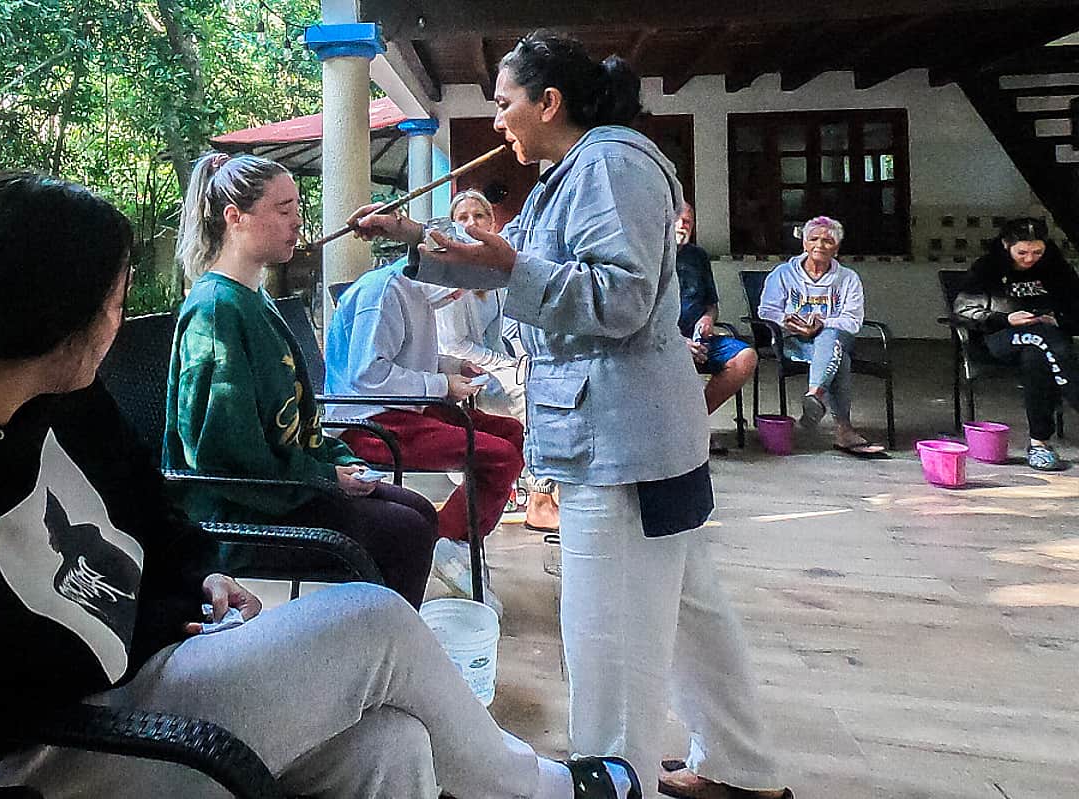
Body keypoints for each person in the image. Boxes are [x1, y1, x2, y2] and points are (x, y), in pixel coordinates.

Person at [0, 172, 644, 799]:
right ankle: (545, 789)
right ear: (52, 317)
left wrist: (198, 575)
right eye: (114, 299)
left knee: (394, 742)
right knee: (375, 618)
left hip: (158, 664)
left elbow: (150, 507)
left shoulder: (67, 401)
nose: (120, 317)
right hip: (63, 744)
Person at [348, 29, 789, 799]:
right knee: (692, 610)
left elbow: (619, 299)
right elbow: (499, 258)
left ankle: (613, 783)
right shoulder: (573, 171)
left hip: (621, 443)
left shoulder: (611, 165)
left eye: (504, 103)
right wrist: (413, 233)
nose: (497, 121)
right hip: (643, 434)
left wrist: (514, 265)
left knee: (607, 637)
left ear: (548, 102)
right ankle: (739, 766)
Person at [163, 153, 437, 608]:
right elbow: (223, 459)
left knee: (421, 512)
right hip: (242, 512)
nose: (297, 222)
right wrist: (325, 477)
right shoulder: (215, 312)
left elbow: (296, 423)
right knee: (404, 532)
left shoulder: (256, 299)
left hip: (284, 487)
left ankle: (382, 633)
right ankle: (382, 641)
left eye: (297, 209)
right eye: (283, 210)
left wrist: (340, 462)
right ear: (235, 217)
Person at [324, 237, 525, 615]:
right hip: (366, 422)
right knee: (498, 456)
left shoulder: (417, 293)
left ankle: (457, 539)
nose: (460, 294)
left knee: (511, 434)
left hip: (403, 409)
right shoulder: (384, 294)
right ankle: (445, 540)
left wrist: (452, 367)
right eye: (459, 283)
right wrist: (442, 385)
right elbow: (368, 376)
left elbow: (406, 357)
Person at [436, 188, 560, 533]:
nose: (471, 224)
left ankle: (552, 482)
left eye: (479, 216)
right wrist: (505, 365)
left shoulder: (495, 273)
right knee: (527, 392)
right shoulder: (452, 277)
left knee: (546, 379)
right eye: (462, 218)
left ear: (493, 224)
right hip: (461, 372)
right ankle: (539, 498)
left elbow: (512, 327)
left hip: (493, 365)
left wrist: (525, 358)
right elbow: (453, 344)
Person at [954, 217, 1079, 470]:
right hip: (1000, 337)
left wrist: (1058, 319)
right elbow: (963, 310)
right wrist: (1006, 319)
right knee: (1041, 340)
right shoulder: (987, 268)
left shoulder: (1057, 269)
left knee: (1037, 355)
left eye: (1037, 252)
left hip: (1047, 340)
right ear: (1006, 245)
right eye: (1022, 252)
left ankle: (1039, 444)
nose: (1030, 258)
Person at [758, 215, 885, 458]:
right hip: (795, 342)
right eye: (813, 239)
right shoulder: (783, 274)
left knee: (830, 336)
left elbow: (853, 321)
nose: (819, 245)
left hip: (835, 339)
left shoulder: (848, 278)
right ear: (804, 244)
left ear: (836, 248)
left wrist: (821, 325)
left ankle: (815, 395)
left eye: (827, 241)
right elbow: (766, 311)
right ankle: (843, 430)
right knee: (841, 360)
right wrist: (791, 322)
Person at [674, 201, 758, 451]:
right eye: (677, 220)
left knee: (745, 357)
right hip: (660, 342)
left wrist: (708, 318)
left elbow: (711, 304)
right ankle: (682, 431)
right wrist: (677, 342)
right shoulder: (648, 254)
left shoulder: (698, 256)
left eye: (688, 222)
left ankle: (692, 425)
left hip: (700, 339)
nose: (682, 226)